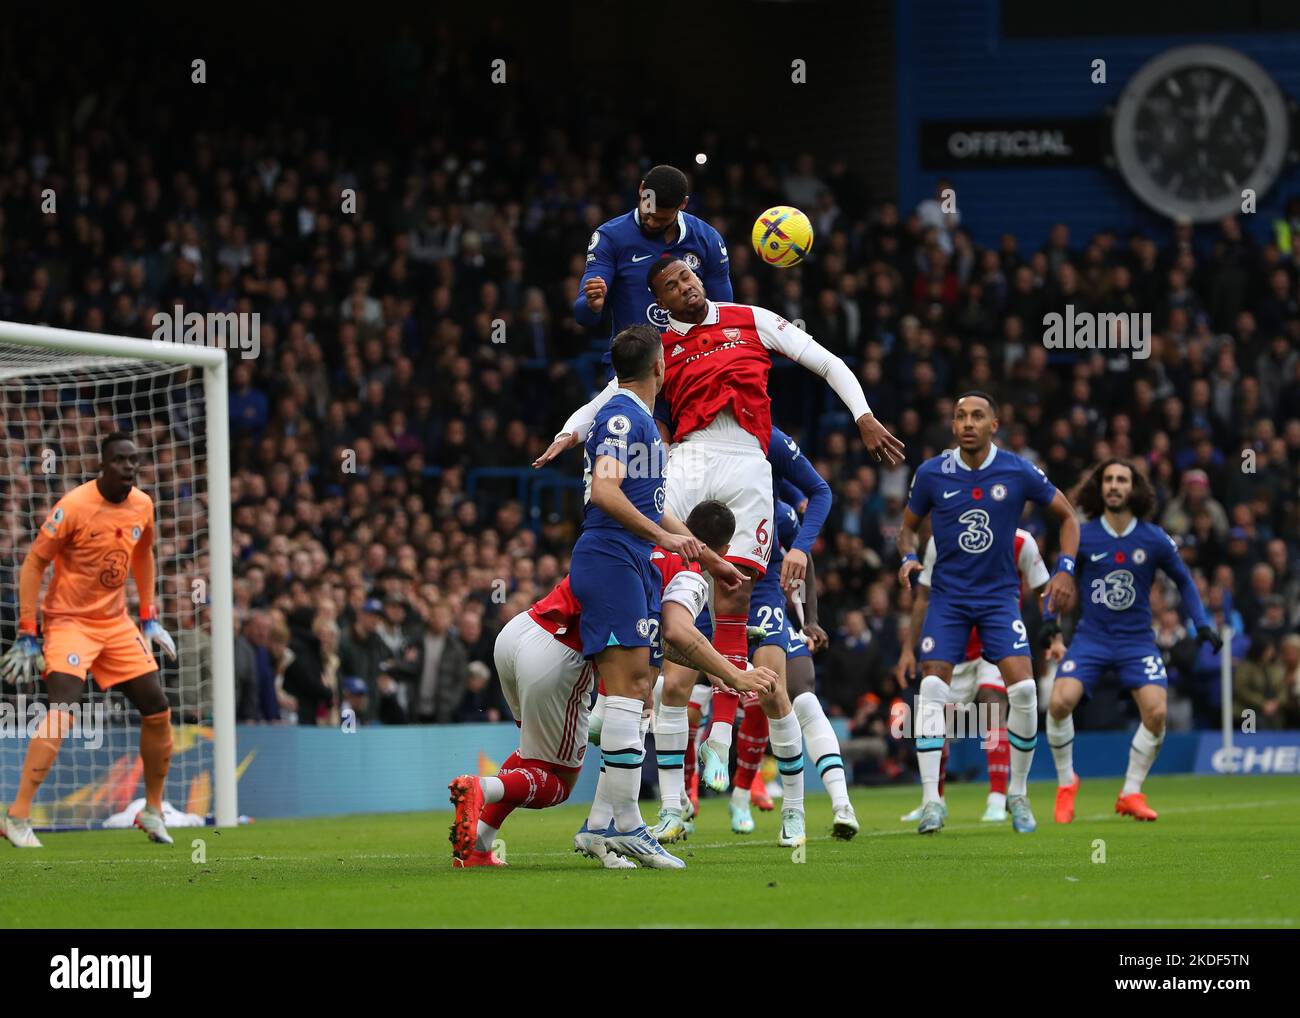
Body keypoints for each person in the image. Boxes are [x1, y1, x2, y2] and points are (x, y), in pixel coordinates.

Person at [536, 260, 904, 848]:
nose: (686, 286)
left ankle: (747, 763)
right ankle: (620, 675)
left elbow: (825, 361)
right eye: (672, 285)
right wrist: (567, 433)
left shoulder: (750, 319)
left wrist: (861, 415)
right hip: (685, 456)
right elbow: (607, 397)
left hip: (748, 463)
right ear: (657, 300)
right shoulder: (660, 347)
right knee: (644, 545)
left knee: (736, 590)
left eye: (689, 276)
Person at [447, 497, 773, 869]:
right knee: (557, 784)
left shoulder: (644, 540)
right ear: (726, 550)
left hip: (520, 631)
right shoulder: (690, 571)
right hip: (561, 654)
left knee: (532, 759)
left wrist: (712, 670)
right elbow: (678, 632)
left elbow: (659, 640)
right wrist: (735, 674)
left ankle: (481, 845)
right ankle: (483, 788)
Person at [897, 392, 1080, 834]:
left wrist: (1066, 569)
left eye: (977, 416)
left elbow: (1069, 518)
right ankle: (930, 803)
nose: (967, 423)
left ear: (994, 424)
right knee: (933, 689)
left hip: (999, 599)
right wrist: (906, 557)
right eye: (960, 416)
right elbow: (906, 528)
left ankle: (1016, 794)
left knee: (1022, 694)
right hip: (948, 598)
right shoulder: (931, 473)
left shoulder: (1017, 471)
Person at [0, 433, 178, 847]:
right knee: (63, 709)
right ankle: (17, 816)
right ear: (103, 464)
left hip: (115, 623)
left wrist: (148, 617)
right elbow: (34, 563)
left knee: (158, 709)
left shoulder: (143, 506)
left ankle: (152, 810)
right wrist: (29, 631)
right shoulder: (74, 507)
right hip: (68, 622)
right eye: (120, 460)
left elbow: (143, 554)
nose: (129, 467)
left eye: (134, 460)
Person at [1044, 459, 1221, 823]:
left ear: (1134, 488)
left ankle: (1130, 792)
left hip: (1137, 640)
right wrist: (1050, 622)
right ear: (1099, 487)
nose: (1114, 485)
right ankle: (1066, 783)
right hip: (1091, 637)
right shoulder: (1081, 534)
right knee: (1060, 702)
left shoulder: (1154, 538)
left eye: (1121, 480)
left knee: (1156, 712)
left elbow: (1185, 581)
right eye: (1108, 479)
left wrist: (1201, 623)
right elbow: (1058, 581)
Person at [897, 527, 1049, 824]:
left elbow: (1042, 588)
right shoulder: (943, 539)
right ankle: (934, 800)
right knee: (939, 718)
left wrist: (1052, 634)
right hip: (955, 648)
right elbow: (924, 597)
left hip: (995, 645)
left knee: (993, 709)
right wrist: (907, 649)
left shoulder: (1018, 539)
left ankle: (997, 797)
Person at [575, 164, 732, 356]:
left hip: (691, 363)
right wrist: (592, 305)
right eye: (647, 213)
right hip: (632, 367)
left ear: (683, 204)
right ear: (641, 190)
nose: (650, 222)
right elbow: (583, 316)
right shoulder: (610, 238)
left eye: (660, 220)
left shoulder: (707, 239)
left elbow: (723, 315)